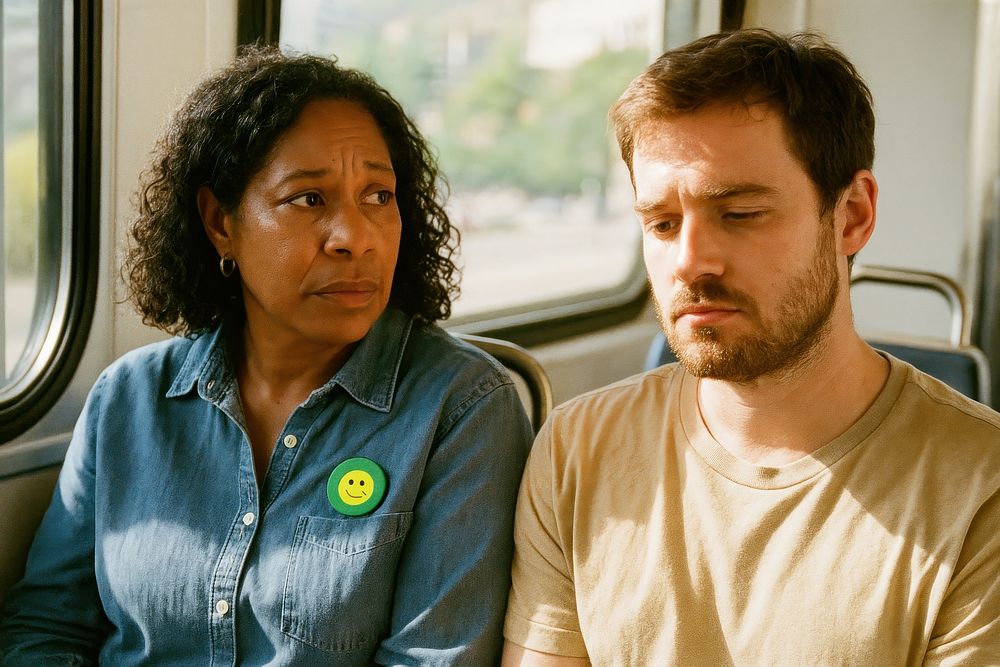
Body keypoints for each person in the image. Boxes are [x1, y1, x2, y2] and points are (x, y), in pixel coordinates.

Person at [0, 47, 532, 665]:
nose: (355, 237)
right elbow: (45, 627)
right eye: (308, 199)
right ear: (221, 223)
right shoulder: (128, 399)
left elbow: (433, 658)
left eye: (379, 196)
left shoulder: (462, 408)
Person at [502, 28, 1000, 665]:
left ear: (852, 216)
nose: (690, 262)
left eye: (739, 214)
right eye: (661, 223)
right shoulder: (576, 450)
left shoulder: (979, 494)